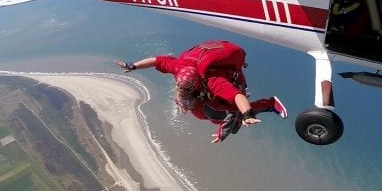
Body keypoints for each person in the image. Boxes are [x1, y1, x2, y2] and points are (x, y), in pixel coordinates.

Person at [114, 40, 287, 143]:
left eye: (187, 102)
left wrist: (248, 114)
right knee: (212, 115)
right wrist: (133, 65)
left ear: (198, 88)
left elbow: (237, 96)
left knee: (233, 115)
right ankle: (230, 122)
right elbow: (156, 61)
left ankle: (269, 104)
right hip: (205, 93)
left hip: (233, 83)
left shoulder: (213, 81)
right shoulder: (179, 67)